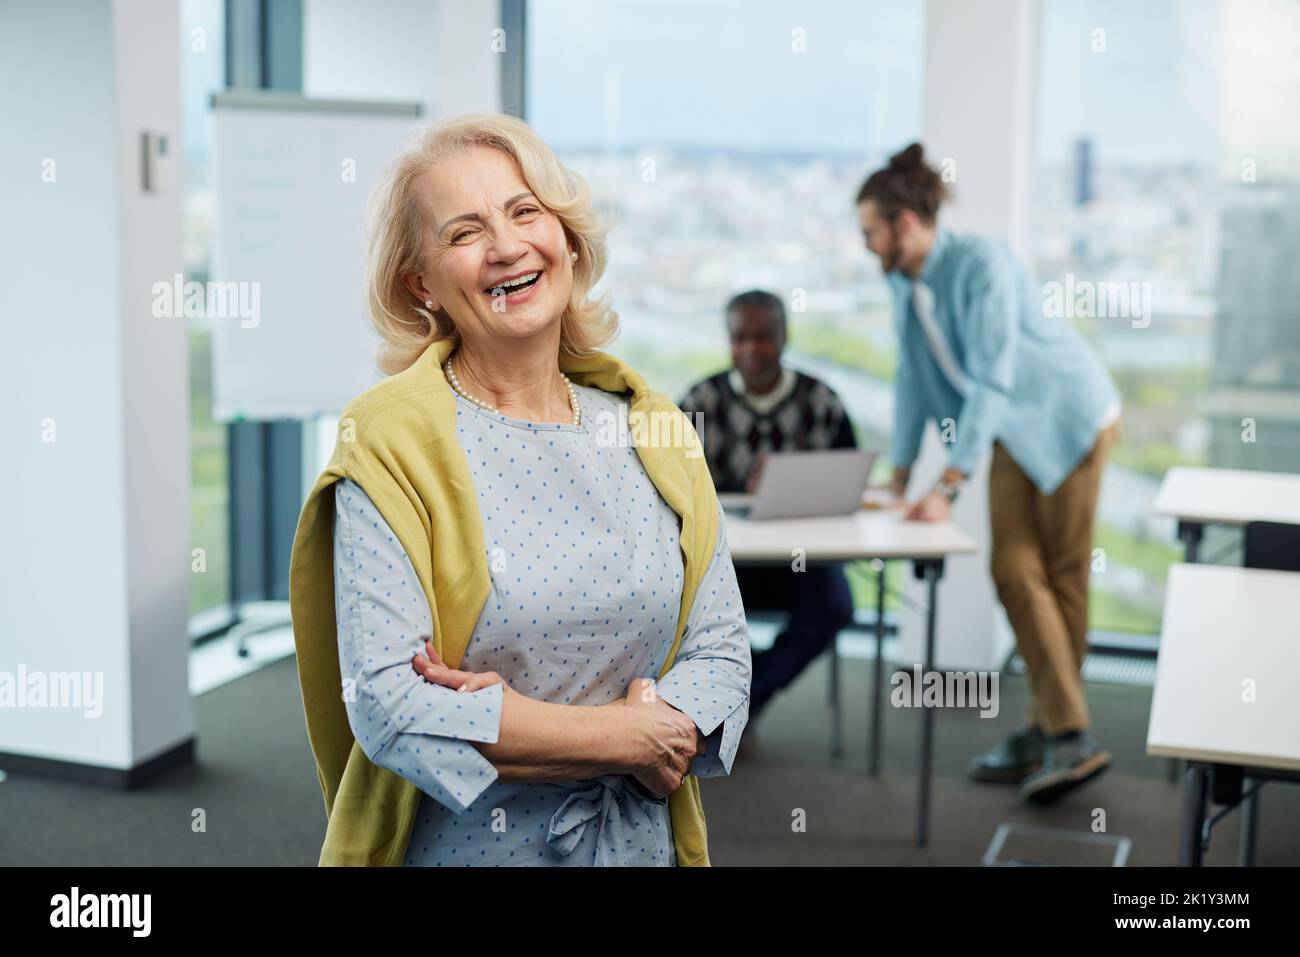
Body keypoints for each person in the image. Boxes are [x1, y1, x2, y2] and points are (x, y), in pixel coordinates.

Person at [288, 113, 751, 866]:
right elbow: (392, 705)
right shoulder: (387, 441)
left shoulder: (653, 427)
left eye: (525, 211)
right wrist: (634, 736)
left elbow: (724, 653)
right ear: (421, 284)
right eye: (463, 233)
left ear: (566, 239)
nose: (507, 246)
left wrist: (503, 718)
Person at [855, 143, 1122, 805]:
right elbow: (912, 372)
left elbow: (994, 378)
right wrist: (903, 472)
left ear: (905, 225)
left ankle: (1055, 734)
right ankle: (1064, 734)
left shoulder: (985, 265)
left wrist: (948, 485)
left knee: (1060, 575)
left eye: (870, 231)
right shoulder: (901, 281)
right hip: (1008, 431)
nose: (866, 245)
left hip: (1071, 417)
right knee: (1013, 569)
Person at [678, 291, 857, 732]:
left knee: (835, 607)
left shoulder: (822, 402)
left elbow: (846, 483)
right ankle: (733, 700)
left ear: (784, 337)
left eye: (763, 337)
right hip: (725, 563)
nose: (751, 349)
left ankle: (743, 698)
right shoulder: (700, 401)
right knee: (672, 602)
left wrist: (792, 486)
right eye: (740, 338)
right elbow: (674, 485)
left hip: (799, 559)